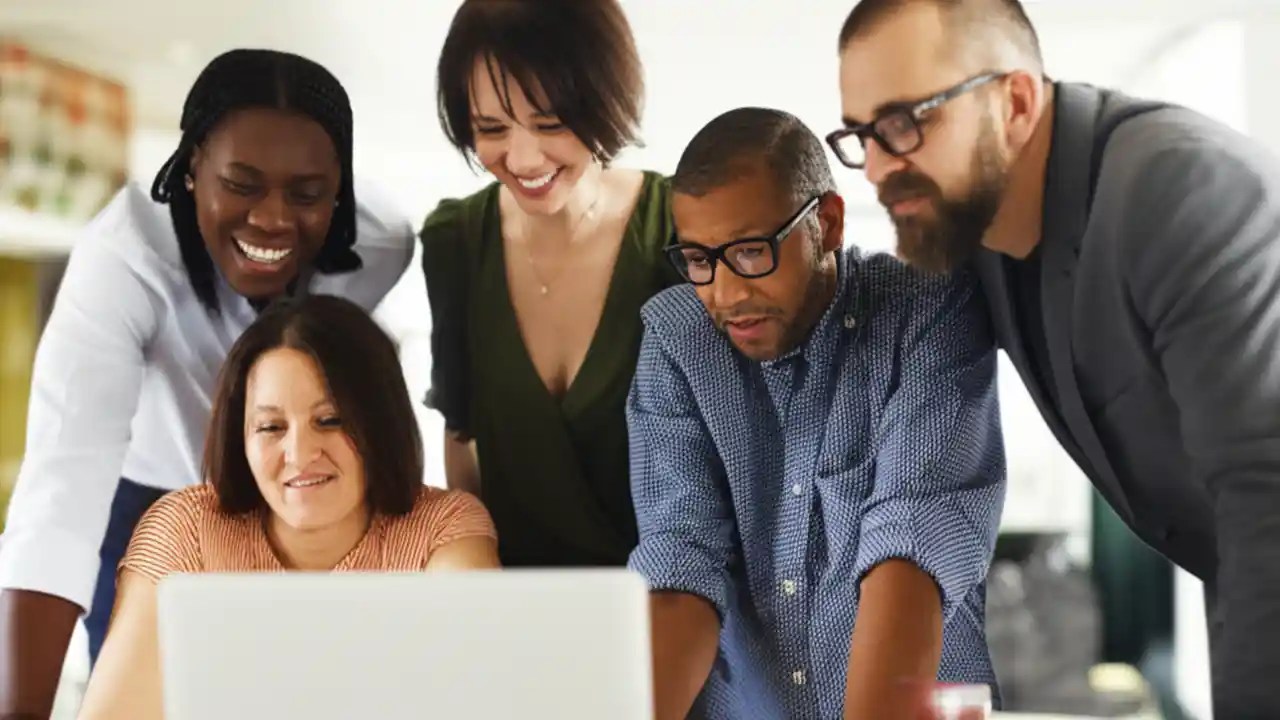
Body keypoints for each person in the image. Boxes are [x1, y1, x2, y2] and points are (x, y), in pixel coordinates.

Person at [832, 0, 1280, 715]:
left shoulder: (1178, 187)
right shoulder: (976, 237)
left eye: (904, 122)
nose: (879, 168)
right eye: (862, 136)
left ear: (1014, 101)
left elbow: (1269, 495)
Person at [0, 49, 415, 717]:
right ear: (193, 168)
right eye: (242, 184)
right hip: (147, 500)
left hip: (296, 493)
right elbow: (61, 494)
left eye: (307, 194)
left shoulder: (381, 248)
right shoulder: (124, 260)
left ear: (340, 189)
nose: (274, 219)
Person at [628, 107, 1007, 720]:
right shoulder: (677, 340)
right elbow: (681, 557)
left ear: (826, 223)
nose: (726, 295)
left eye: (751, 252)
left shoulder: (928, 306)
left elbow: (912, 537)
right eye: (700, 260)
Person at [75, 294, 499, 720]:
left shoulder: (444, 529)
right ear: (240, 436)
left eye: (329, 420)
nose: (299, 453)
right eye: (271, 427)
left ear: (379, 422)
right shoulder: (185, 530)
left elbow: (479, 695)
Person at [422, 0, 678, 567]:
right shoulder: (455, 242)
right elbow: (461, 441)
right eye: (490, 128)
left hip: (670, 610)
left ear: (606, 102)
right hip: (521, 609)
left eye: (550, 124)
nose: (521, 157)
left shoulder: (680, 228)